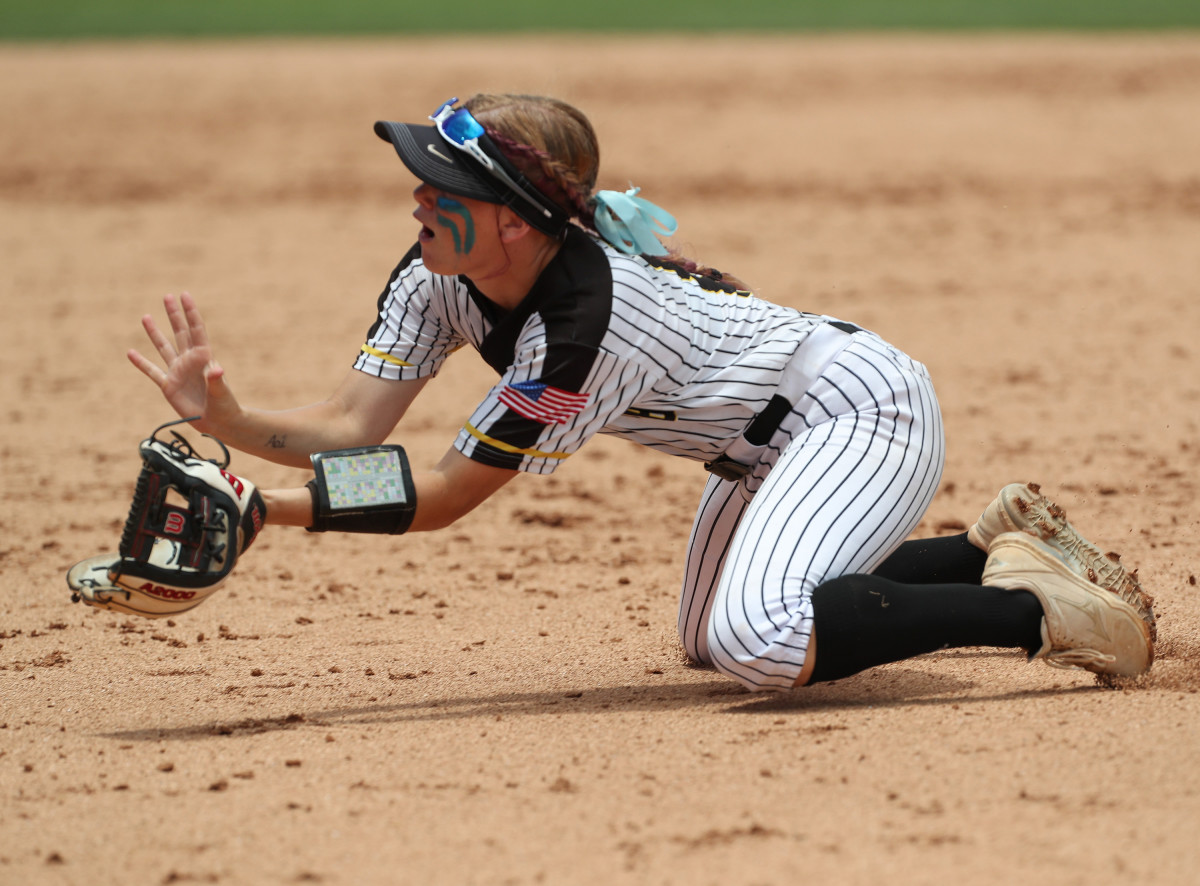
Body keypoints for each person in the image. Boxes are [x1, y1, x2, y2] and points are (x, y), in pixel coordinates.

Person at [128, 94, 1156, 691]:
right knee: (711, 637)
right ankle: (989, 549)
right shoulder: (437, 270)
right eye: (421, 176)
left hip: (858, 413)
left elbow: (442, 496)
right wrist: (230, 424)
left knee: (765, 638)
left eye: (448, 185)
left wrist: (277, 508)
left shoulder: (581, 329)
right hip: (765, 448)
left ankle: (1030, 612)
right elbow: (354, 424)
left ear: (520, 222)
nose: (418, 196)